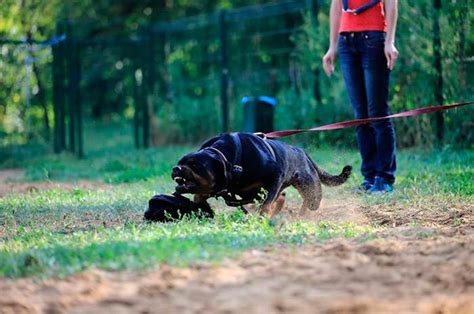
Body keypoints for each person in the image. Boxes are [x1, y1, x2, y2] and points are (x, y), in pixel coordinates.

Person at [322, 0, 399, 193]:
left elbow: (391, 3)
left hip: (373, 38)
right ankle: (370, 177)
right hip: (346, 42)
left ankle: (384, 178)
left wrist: (389, 41)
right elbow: (336, 6)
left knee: (377, 114)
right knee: (361, 116)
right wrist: (332, 46)